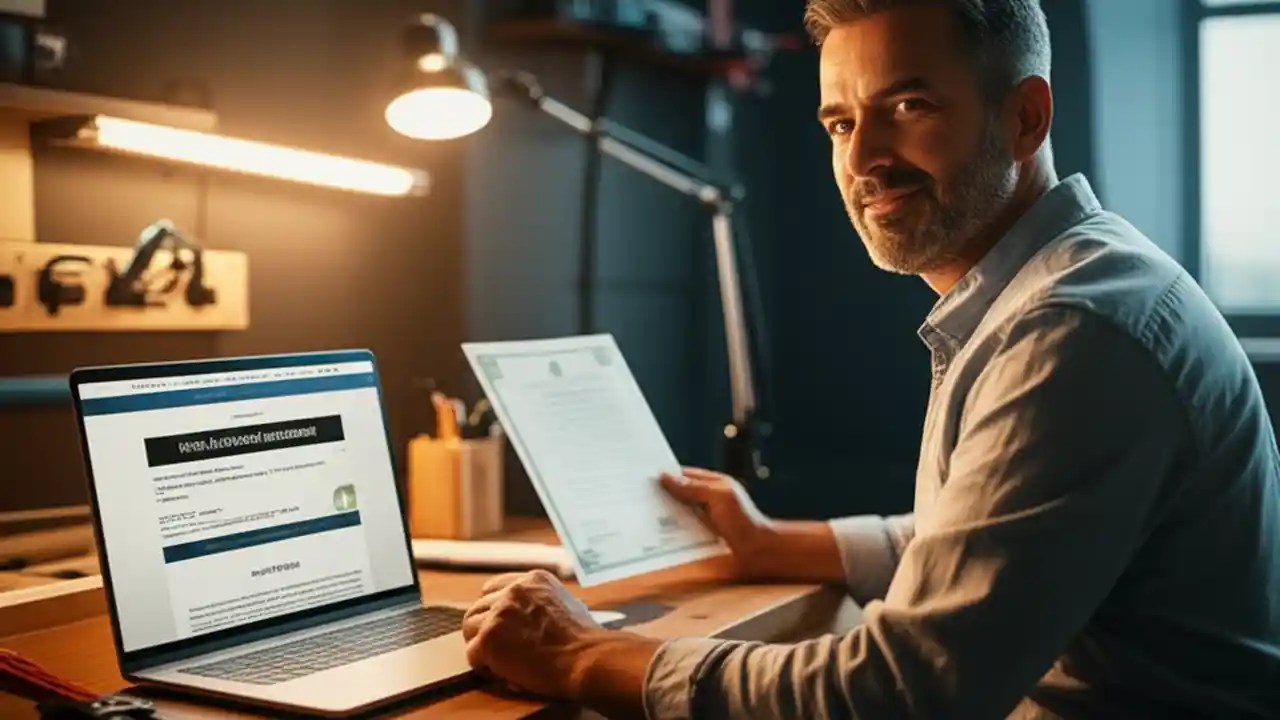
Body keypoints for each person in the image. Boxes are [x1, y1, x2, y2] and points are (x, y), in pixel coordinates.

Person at [461, 0, 1280, 717]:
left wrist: (579, 656)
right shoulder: (1063, 286)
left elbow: (902, 693)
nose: (861, 161)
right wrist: (771, 542)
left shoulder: (1072, 332)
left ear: (1025, 118)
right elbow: (986, 546)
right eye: (842, 123)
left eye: (908, 105)